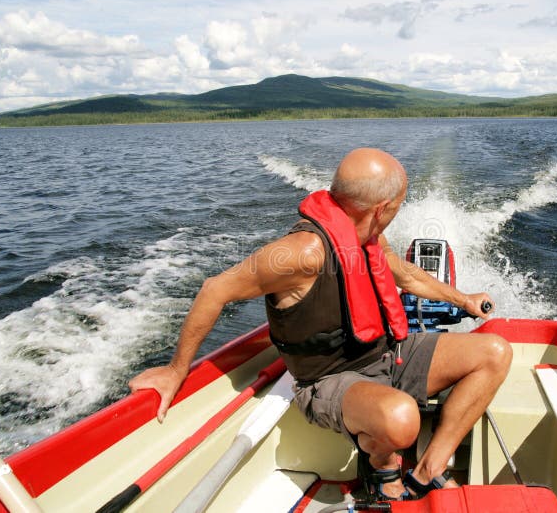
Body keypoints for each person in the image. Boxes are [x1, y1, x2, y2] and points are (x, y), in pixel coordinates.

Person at [129, 148, 512, 500]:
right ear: (381, 208)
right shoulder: (300, 254)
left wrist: (464, 299)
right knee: (401, 418)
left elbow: (406, 276)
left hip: (386, 355)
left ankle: (429, 468)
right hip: (329, 380)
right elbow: (216, 289)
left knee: (494, 352)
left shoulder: (369, 234)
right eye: (399, 203)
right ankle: (382, 465)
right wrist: (176, 370)